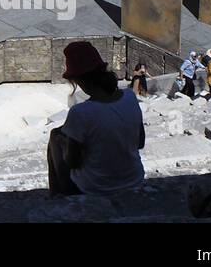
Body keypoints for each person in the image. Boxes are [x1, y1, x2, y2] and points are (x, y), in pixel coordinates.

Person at [47, 41, 145, 196]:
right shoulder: (130, 97)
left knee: (55, 136)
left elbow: (73, 162)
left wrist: (67, 144)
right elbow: (140, 143)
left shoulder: (80, 113)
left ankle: (59, 198)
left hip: (95, 188)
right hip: (134, 179)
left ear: (77, 80)